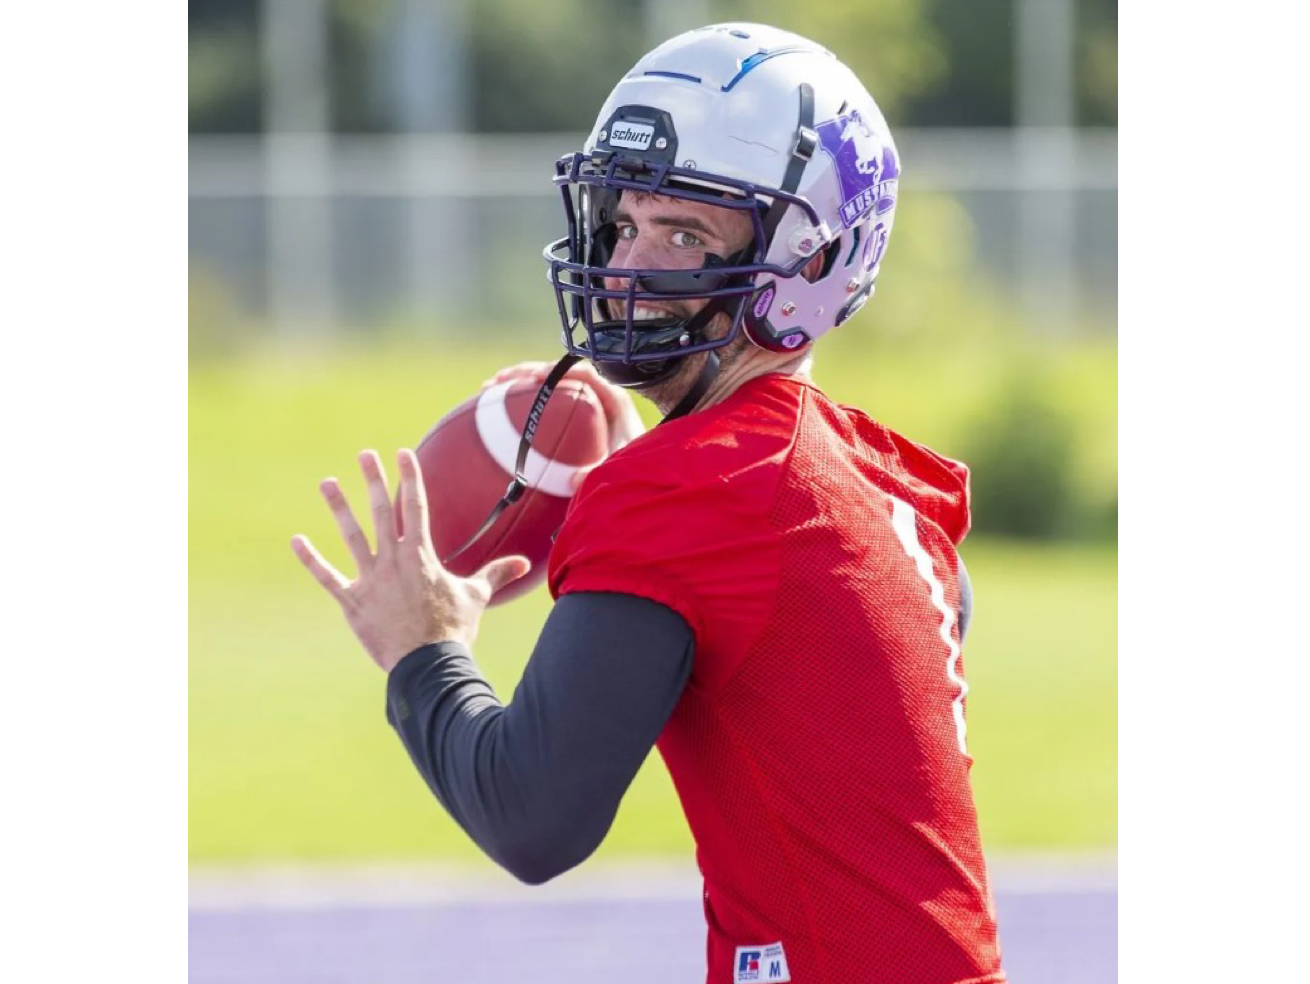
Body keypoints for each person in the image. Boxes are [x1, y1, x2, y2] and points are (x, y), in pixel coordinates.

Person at [292, 23, 1005, 984]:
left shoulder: (695, 486)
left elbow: (531, 817)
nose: (627, 268)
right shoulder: (869, 469)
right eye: (626, 223)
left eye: (686, 233)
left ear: (810, 261)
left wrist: (422, 649)